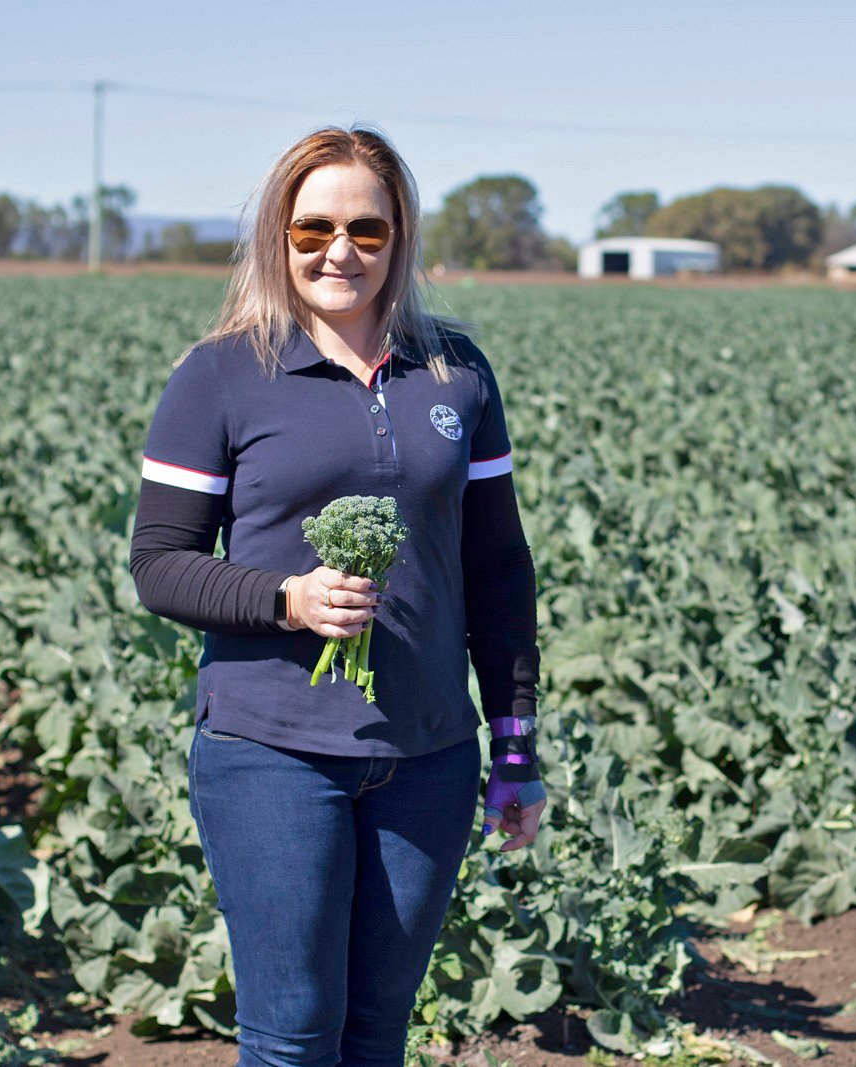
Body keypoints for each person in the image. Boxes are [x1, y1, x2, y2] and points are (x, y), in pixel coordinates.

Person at [128, 125, 547, 1067]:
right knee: (293, 1037)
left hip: (431, 755)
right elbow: (159, 561)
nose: (339, 251)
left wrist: (514, 746)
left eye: (367, 228)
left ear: (400, 238)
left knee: (375, 1036)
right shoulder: (222, 373)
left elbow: (498, 571)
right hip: (272, 754)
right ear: (280, 236)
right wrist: (289, 599)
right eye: (312, 229)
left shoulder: (458, 372)